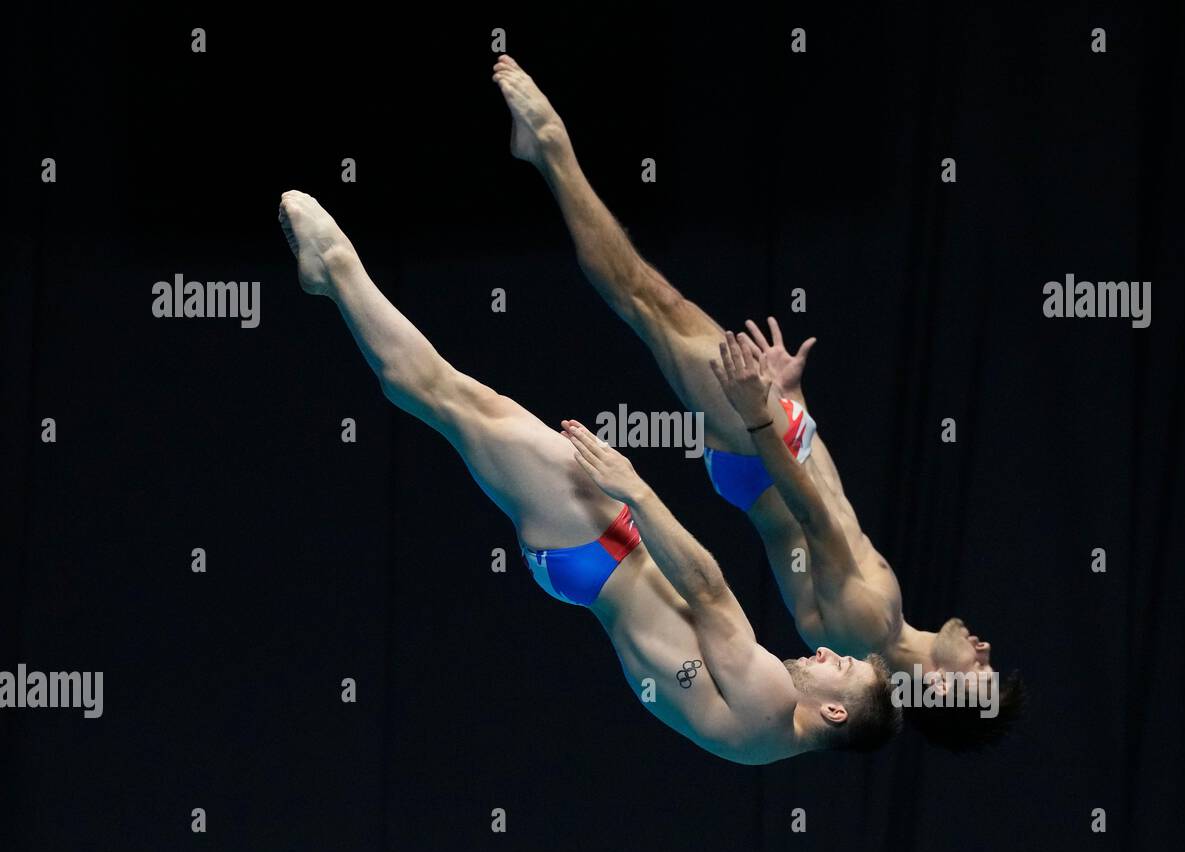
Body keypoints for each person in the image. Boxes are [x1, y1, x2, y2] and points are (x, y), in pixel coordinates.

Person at [491, 55, 1024, 749]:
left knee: (647, 301)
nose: (984, 650)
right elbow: (826, 508)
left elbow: (808, 512)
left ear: (946, 691)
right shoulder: (883, 632)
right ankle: (549, 153)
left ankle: (550, 149)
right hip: (776, 444)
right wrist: (796, 406)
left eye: (982, 671)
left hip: (762, 447)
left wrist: (759, 416)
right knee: (653, 304)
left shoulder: (871, 622)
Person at [277, 189, 900, 764]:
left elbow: (708, 587)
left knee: (455, 400)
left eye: (839, 667)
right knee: (459, 408)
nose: (825, 653)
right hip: (591, 571)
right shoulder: (759, 747)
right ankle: (335, 278)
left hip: (603, 546)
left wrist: (634, 488)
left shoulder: (769, 699)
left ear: (835, 711)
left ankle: (334, 268)